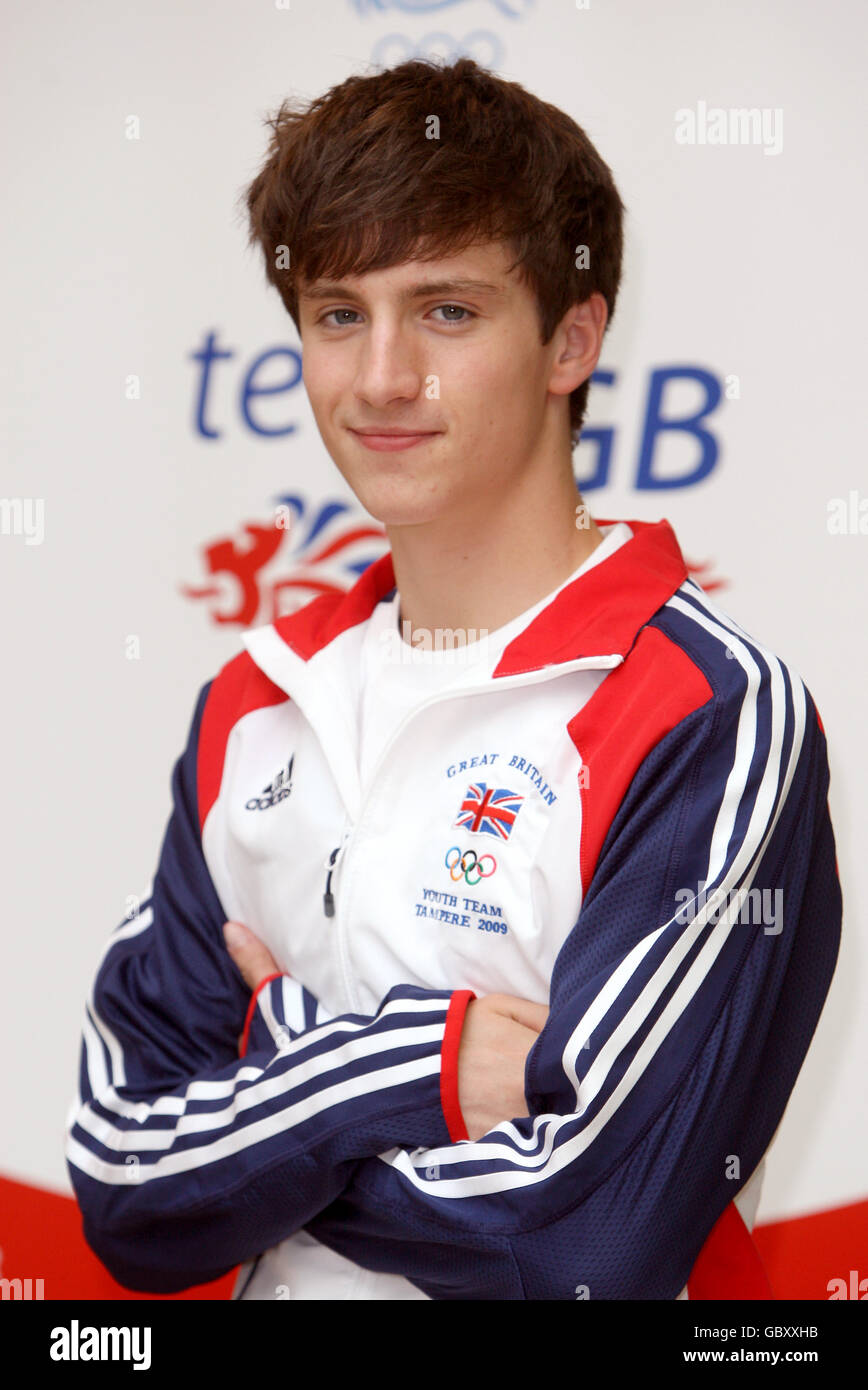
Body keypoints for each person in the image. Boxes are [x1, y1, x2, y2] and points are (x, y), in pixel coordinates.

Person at [65, 57, 842, 1301]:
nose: (378, 379)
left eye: (446, 311)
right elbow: (125, 1188)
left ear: (570, 341)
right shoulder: (255, 707)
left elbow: (588, 1242)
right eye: (336, 314)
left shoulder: (705, 710)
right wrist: (398, 1072)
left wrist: (272, 1072)